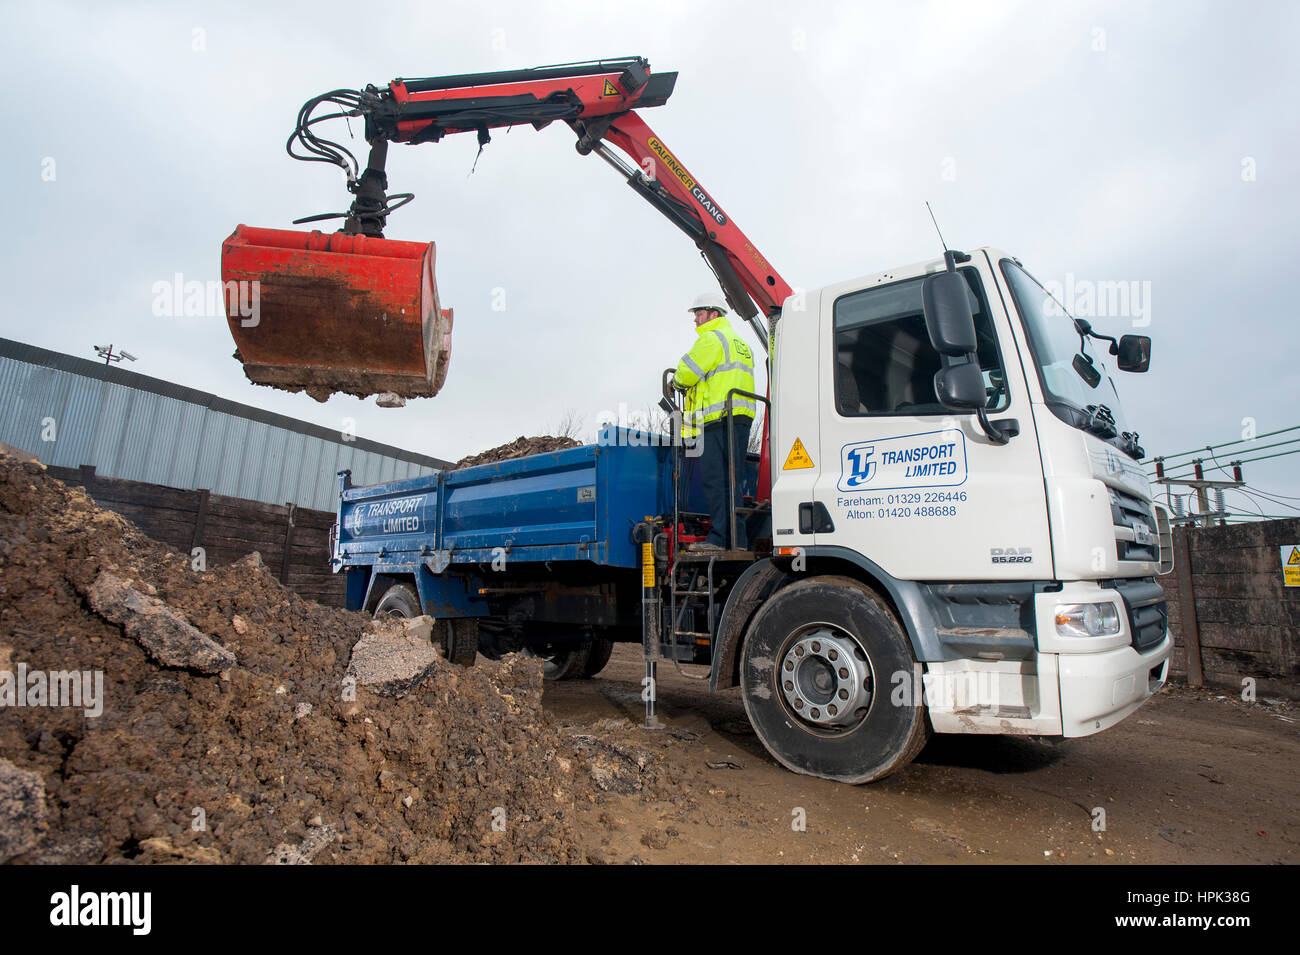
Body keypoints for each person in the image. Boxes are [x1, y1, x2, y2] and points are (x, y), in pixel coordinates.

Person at [674, 291, 756, 553]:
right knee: (734, 480)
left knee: (715, 480)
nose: (695, 320)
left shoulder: (710, 339)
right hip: (740, 419)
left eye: (698, 313)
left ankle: (721, 539)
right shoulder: (740, 343)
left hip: (717, 420)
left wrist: (674, 381)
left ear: (713, 314)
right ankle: (738, 541)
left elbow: (685, 374)